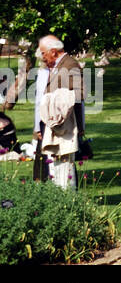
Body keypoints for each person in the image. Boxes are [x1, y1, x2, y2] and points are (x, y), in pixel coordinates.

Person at [37, 36, 84, 189]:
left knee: (64, 168)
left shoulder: (70, 65)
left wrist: (55, 101)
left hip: (64, 126)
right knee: (54, 168)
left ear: (53, 51)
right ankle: (60, 198)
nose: (42, 57)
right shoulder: (57, 66)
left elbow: (79, 94)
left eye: (43, 53)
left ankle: (67, 201)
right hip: (55, 125)